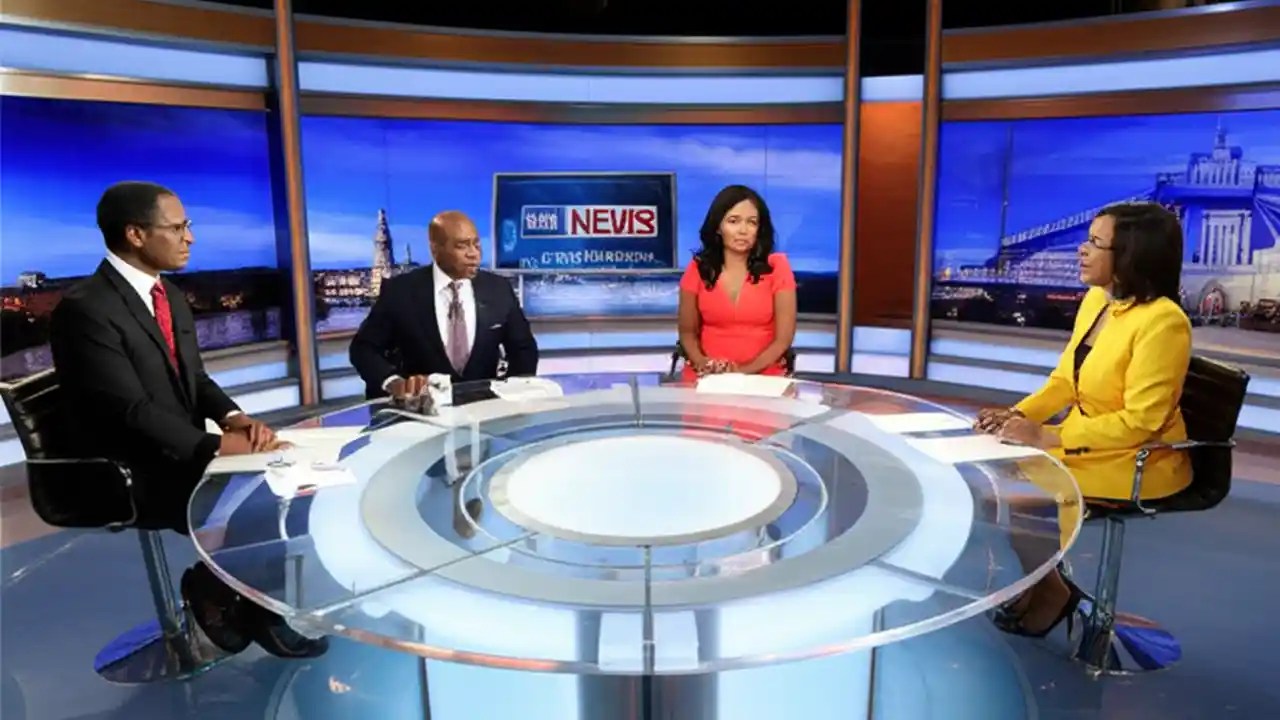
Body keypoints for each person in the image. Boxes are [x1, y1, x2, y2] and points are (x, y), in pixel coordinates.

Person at [49, 181, 327, 659]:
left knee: (294, 484)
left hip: (175, 446)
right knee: (262, 489)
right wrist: (217, 448)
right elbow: (129, 413)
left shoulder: (170, 296)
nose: (189, 237)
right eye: (177, 227)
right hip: (124, 468)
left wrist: (234, 418)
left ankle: (240, 596)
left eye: (188, 226)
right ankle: (228, 594)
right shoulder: (86, 310)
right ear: (135, 234)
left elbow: (194, 379)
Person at [974, 201, 1192, 637]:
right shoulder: (1099, 300)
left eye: (1096, 243)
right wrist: (1017, 416)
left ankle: (1049, 590)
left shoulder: (1165, 323)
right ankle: (1048, 584)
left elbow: (1140, 422)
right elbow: (1064, 382)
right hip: (1091, 443)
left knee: (1015, 495)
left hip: (1138, 459)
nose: (1082, 250)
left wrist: (1048, 436)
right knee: (992, 481)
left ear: (1131, 254)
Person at [350, 210, 538, 399]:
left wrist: (512, 396)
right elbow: (364, 348)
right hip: (420, 416)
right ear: (435, 249)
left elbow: (523, 349)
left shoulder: (497, 288)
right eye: (462, 246)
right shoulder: (401, 291)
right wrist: (393, 382)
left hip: (483, 414)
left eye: (476, 244)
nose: (473, 254)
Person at [677, 185, 797, 382]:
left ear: (759, 229)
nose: (743, 230)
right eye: (733, 221)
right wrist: (704, 364)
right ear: (718, 226)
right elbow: (687, 332)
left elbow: (783, 339)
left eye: (752, 223)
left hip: (764, 377)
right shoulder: (698, 269)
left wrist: (742, 373)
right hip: (707, 378)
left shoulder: (777, 268)